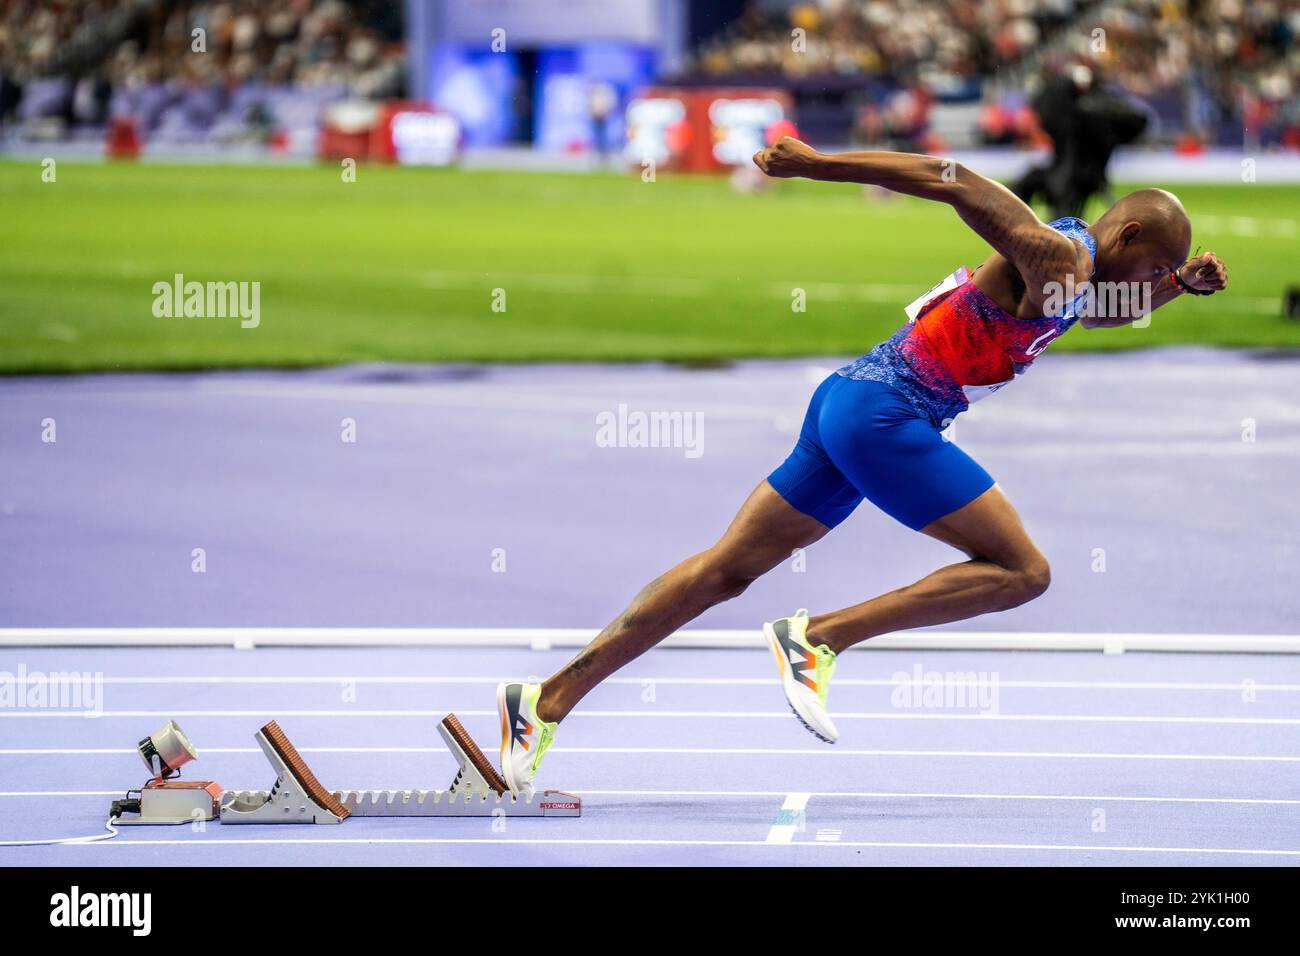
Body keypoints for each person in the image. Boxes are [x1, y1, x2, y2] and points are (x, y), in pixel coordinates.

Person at [496, 136, 1229, 790]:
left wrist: (1173, 288)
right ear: (1127, 232)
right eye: (1157, 262)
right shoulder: (1059, 255)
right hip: (887, 416)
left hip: (849, 402)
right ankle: (820, 638)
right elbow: (950, 176)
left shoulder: (1078, 282)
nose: (1154, 277)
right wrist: (818, 165)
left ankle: (543, 702)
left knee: (725, 571)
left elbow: (1104, 308)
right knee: (1022, 573)